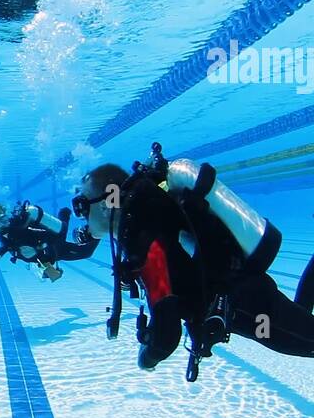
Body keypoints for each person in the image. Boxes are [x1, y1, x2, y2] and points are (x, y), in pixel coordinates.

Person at [74, 155, 314, 375]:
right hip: (242, 292)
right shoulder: (144, 211)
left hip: (246, 305)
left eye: (82, 207)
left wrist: (146, 360)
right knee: (300, 321)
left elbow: (166, 338)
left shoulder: (142, 238)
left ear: (106, 206)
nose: (82, 217)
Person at [0, 200, 99, 281]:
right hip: (47, 253)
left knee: (86, 252)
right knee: (64, 232)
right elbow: (6, 245)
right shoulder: (2, 233)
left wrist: (44, 258)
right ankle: (64, 213)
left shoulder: (21, 226)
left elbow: (49, 237)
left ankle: (98, 228)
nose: (1, 225)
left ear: (8, 215)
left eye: (3, 220)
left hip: (53, 246)